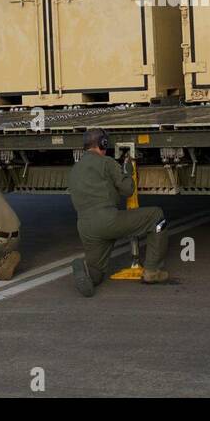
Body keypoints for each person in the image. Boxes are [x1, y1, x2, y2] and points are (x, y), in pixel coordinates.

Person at [66, 127, 170, 297]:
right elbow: (128, 189)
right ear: (103, 143)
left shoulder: (75, 170)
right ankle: (152, 271)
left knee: (96, 273)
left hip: (85, 226)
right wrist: (128, 171)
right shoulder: (106, 162)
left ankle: (85, 270)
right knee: (156, 216)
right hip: (108, 220)